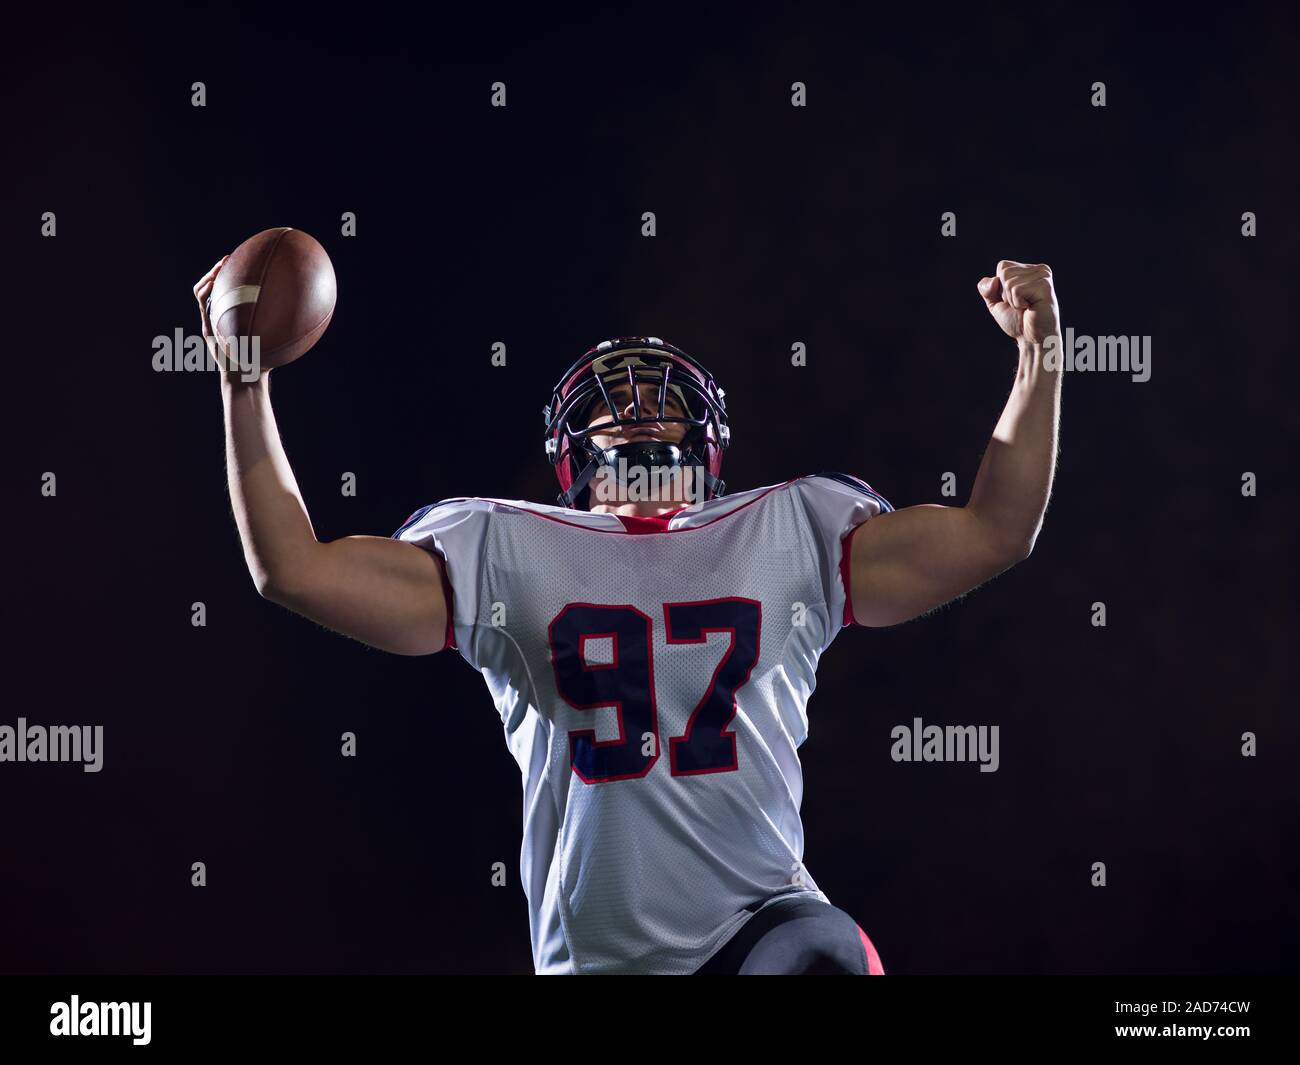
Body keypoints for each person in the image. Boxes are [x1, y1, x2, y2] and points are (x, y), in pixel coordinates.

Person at [193, 258, 1062, 974]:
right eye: (615, 409)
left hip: (763, 924)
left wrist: (1040, 360)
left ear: (710, 447)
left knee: (828, 957)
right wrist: (243, 382)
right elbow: (295, 570)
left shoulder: (791, 527)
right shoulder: (502, 544)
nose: (642, 416)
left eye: (665, 405)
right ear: (575, 456)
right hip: (598, 959)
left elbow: (994, 531)